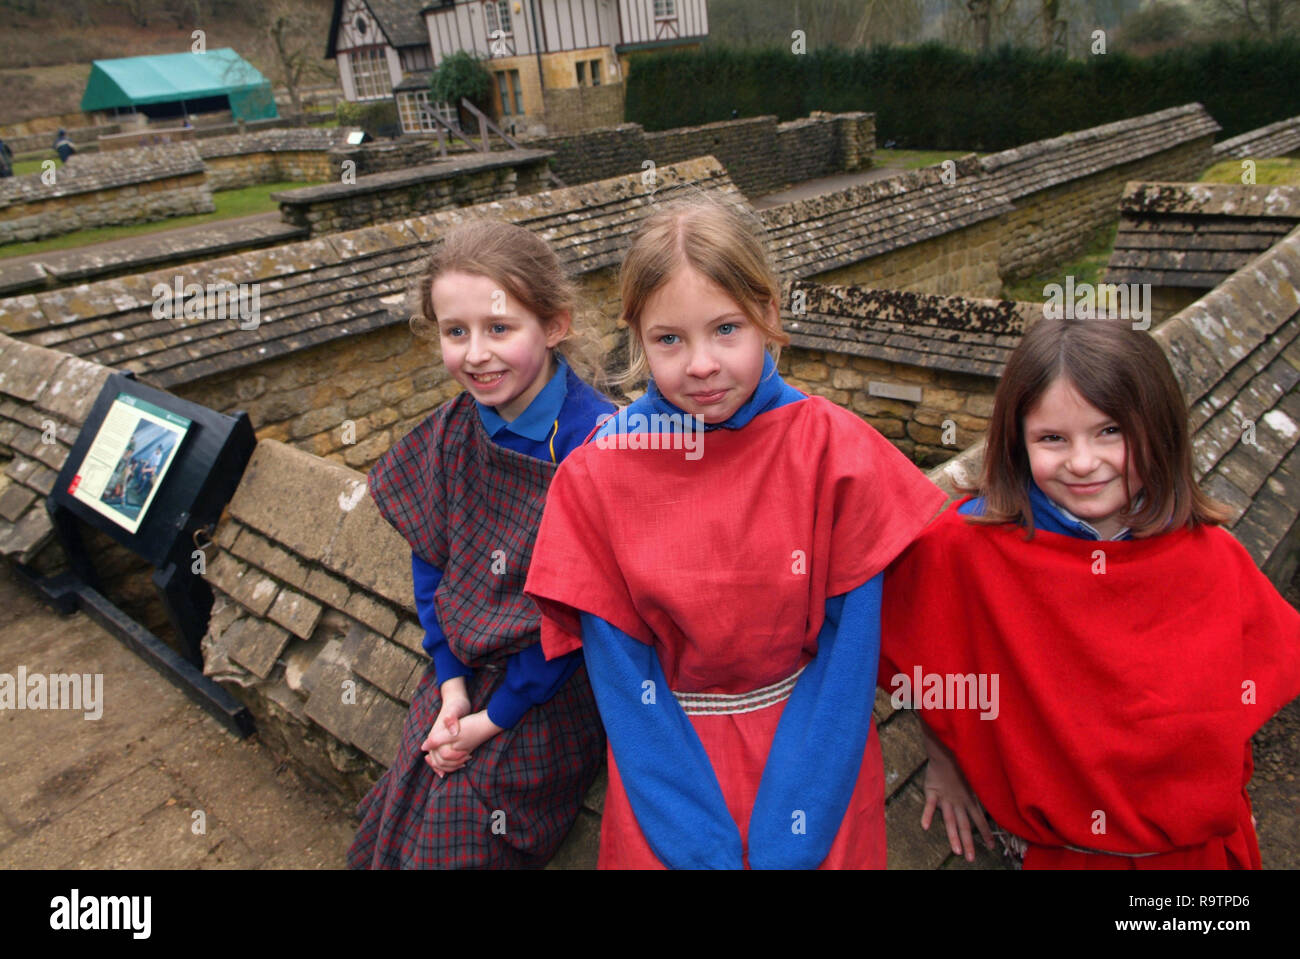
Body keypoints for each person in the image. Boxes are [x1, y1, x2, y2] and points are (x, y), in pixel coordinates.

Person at [524, 196, 946, 869]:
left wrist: (796, 826)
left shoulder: (835, 452)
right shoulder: (596, 477)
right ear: (637, 336)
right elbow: (620, 673)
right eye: (670, 339)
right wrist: (690, 835)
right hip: (665, 769)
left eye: (726, 328)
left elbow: (850, 649)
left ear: (770, 314)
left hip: (817, 759)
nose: (701, 364)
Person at [881, 313, 1300, 869]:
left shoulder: (1211, 557)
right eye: (1052, 438)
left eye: (1110, 431)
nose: (1083, 462)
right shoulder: (965, 550)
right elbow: (925, 659)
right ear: (1017, 441)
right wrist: (944, 761)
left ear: (1159, 429)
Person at [348, 220, 614, 869]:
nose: (475, 354)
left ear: (553, 325)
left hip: (556, 687)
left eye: (499, 328)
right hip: (465, 671)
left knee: (461, 824)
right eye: (455, 331)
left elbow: (578, 622)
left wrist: (490, 719)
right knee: (404, 795)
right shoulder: (448, 434)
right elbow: (431, 568)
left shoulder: (599, 446)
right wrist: (451, 689)